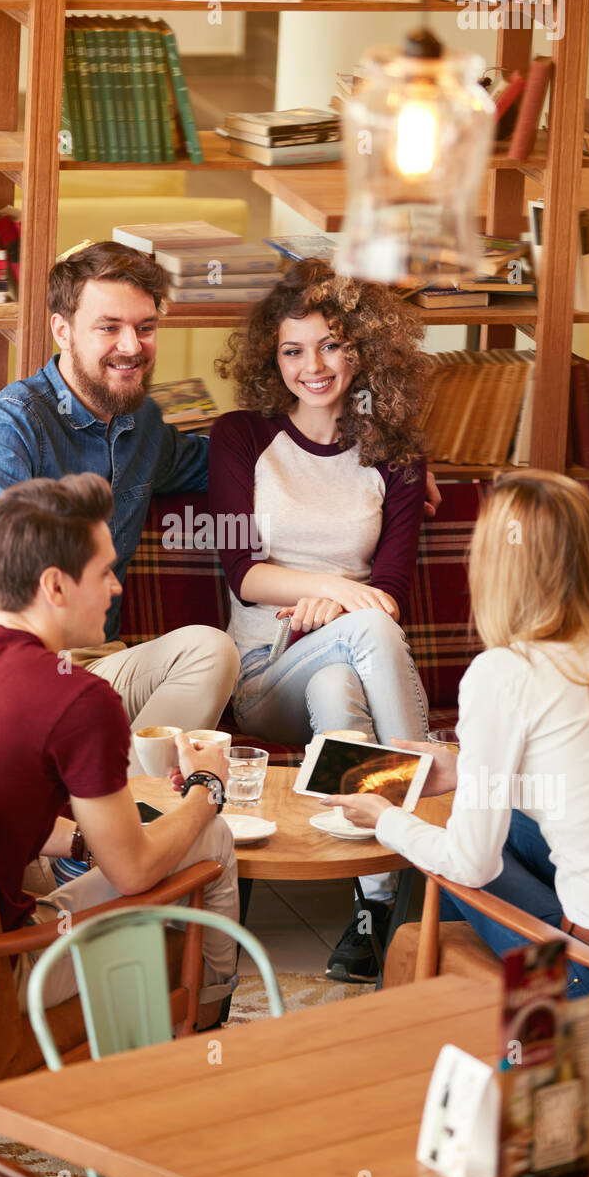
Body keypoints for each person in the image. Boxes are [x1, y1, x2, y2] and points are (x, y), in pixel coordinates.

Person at [0, 473, 239, 1023]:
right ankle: (206, 1023)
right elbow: (133, 876)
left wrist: (86, 842)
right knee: (213, 836)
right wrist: (208, 787)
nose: (117, 586)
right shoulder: (80, 699)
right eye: (105, 571)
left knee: (136, 841)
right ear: (55, 586)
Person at [325, 470, 589, 1000]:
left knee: (447, 856)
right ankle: (439, 998)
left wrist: (388, 821)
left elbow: (471, 863)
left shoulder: (503, 673)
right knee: (503, 821)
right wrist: (462, 769)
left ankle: (505, 1039)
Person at [0, 241, 240, 776]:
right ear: (62, 330)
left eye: (145, 327)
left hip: (94, 667)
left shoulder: (145, 429)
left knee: (212, 652)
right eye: (108, 326)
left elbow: (233, 463)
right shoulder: (11, 424)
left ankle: (120, 825)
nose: (131, 345)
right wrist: (38, 676)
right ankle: (106, 829)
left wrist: (377, 459)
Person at [208, 259, 433, 981]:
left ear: (362, 348)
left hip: (350, 666)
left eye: (331, 345)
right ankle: (431, 834)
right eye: (293, 350)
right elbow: (242, 571)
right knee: (363, 633)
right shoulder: (240, 437)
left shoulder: (392, 453)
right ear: (272, 359)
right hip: (266, 669)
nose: (314, 366)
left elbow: (392, 586)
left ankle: (375, 910)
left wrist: (334, 608)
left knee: (339, 690)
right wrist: (334, 593)